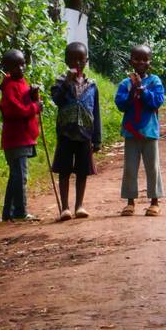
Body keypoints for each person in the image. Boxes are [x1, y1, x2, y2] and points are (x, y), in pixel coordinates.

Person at [49, 42, 102, 222]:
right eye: (73, 59)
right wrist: (66, 84)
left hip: (85, 134)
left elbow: (96, 113)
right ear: (66, 61)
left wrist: (97, 139)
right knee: (64, 171)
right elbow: (57, 100)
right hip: (66, 133)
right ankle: (65, 208)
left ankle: (79, 205)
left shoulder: (92, 85)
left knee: (82, 171)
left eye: (81, 59)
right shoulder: (60, 82)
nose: (77, 63)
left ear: (86, 61)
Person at [114, 44, 166, 217]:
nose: (141, 63)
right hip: (130, 132)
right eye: (137, 59)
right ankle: (130, 202)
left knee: (152, 168)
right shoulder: (125, 83)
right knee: (130, 168)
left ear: (149, 62)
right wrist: (132, 93)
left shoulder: (155, 81)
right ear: (131, 61)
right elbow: (120, 104)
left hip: (150, 132)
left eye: (145, 59)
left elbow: (157, 101)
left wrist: (143, 92)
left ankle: (154, 201)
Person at [0, 49, 42, 222]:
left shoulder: (21, 82)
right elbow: (16, 110)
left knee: (15, 176)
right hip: (16, 140)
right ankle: (20, 212)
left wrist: (32, 95)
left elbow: (25, 100)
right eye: (16, 66)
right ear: (8, 68)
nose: (21, 68)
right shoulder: (8, 87)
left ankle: (8, 212)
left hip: (24, 137)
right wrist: (35, 107)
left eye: (23, 63)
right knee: (19, 176)